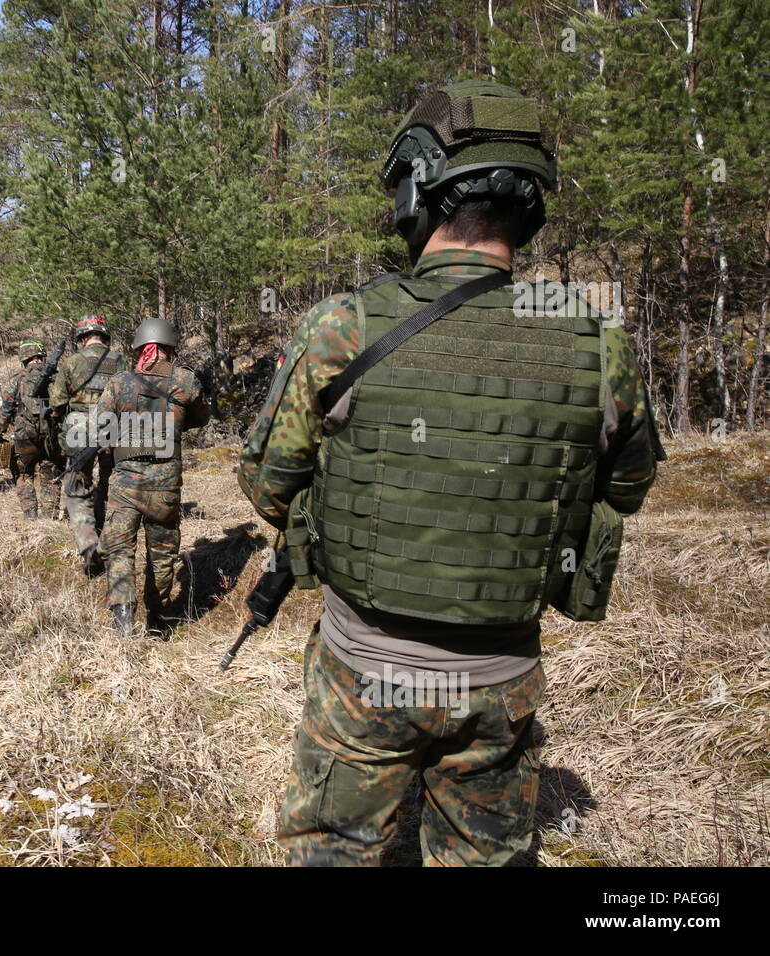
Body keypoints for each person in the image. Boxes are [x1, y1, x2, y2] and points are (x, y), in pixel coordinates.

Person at [238, 79, 660, 866]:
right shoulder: (597, 343)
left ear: (414, 190)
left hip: (363, 674)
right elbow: (628, 489)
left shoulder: (344, 327)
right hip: (501, 679)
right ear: (529, 208)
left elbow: (268, 487)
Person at [96, 318, 209, 636]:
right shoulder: (186, 381)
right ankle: (157, 620)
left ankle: (122, 618)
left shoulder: (120, 383)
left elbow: (101, 427)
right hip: (166, 483)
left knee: (119, 549)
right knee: (162, 552)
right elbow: (201, 417)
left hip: (125, 482)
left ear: (140, 348)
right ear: (170, 347)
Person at [50, 315, 125, 576]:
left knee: (76, 489)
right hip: (112, 428)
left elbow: (57, 403)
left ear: (83, 338)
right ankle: (108, 540)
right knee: (110, 485)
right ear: (104, 337)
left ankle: (89, 545)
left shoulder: (71, 362)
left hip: (78, 430)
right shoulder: (120, 361)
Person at [0, 340, 64, 518]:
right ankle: (50, 515)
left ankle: (30, 514)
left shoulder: (17, 379)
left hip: (25, 436)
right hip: (53, 436)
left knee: (23, 474)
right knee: (51, 473)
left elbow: (6, 410)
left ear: (24, 358)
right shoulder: (58, 378)